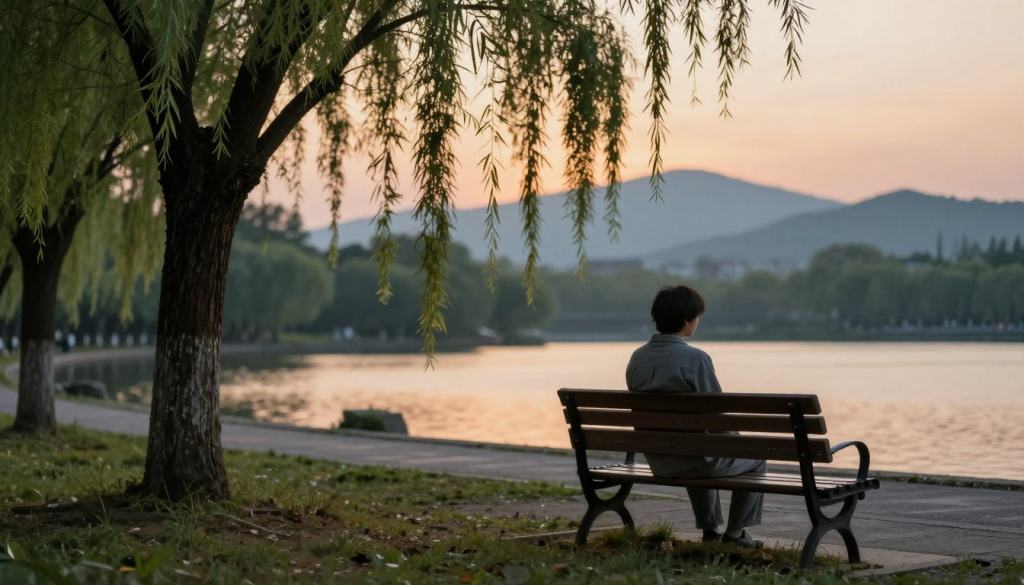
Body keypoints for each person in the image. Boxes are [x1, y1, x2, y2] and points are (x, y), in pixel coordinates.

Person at [625, 284, 766, 548]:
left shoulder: (637, 358)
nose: (697, 321)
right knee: (754, 456)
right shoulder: (696, 359)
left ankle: (712, 530)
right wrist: (738, 443)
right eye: (697, 316)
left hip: (659, 461)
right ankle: (735, 535)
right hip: (693, 460)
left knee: (698, 447)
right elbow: (718, 417)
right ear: (686, 320)